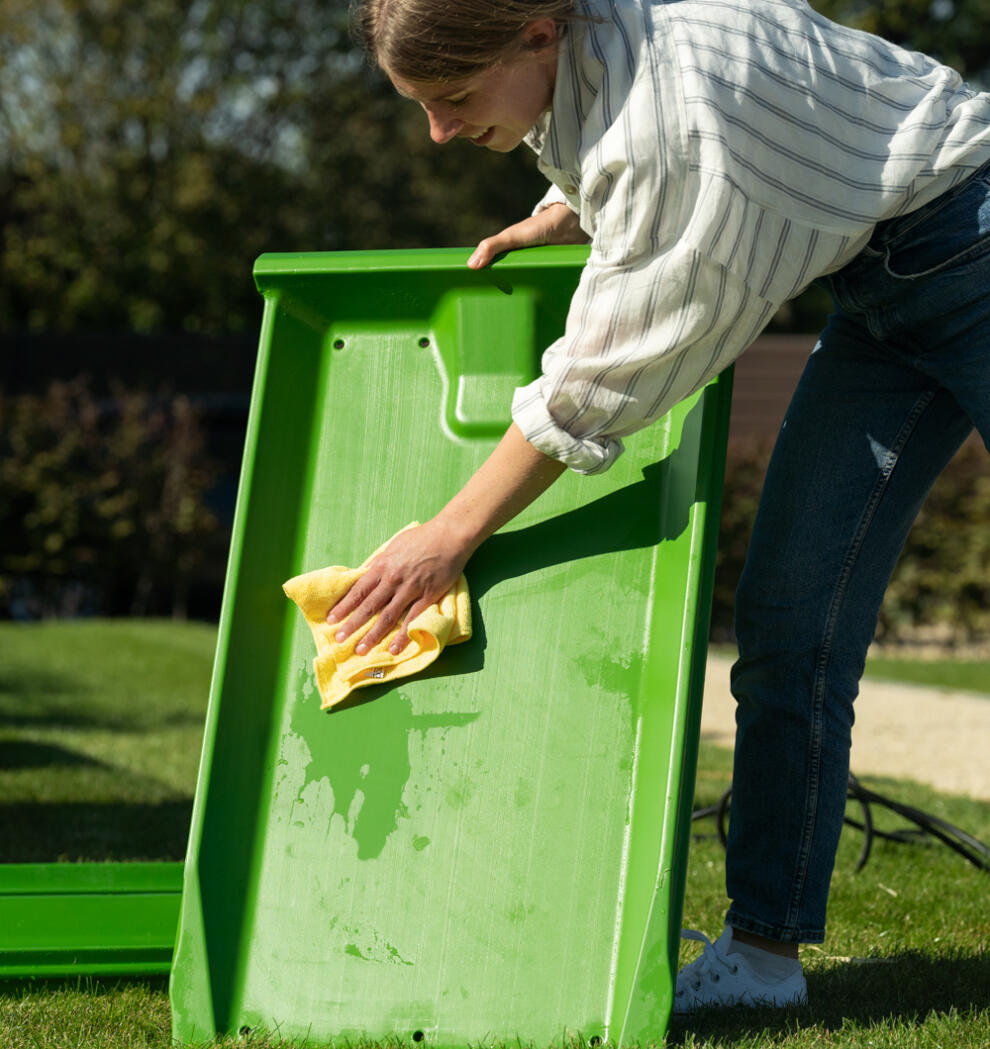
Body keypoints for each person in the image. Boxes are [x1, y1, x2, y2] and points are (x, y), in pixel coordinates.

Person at [329, 0, 990, 1014]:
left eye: (454, 98)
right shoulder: (599, 51)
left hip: (973, 239)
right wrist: (576, 209)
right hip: (879, 286)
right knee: (789, 621)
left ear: (538, 30)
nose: (441, 132)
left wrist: (450, 533)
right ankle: (764, 957)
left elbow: (602, 385)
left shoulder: (672, 125)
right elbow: (625, 161)